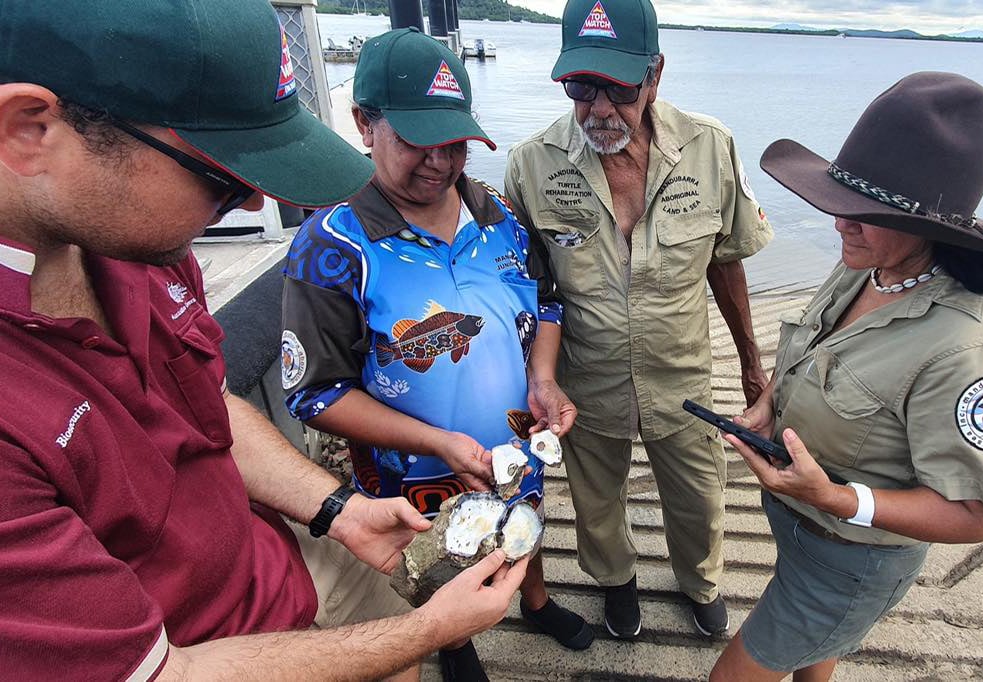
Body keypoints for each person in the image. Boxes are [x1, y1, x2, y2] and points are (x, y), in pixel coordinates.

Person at [0, 3, 528, 680]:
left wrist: (337, 510)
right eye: (221, 178)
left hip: (283, 566)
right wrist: (428, 628)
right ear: (29, 130)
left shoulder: (133, 240)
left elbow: (210, 404)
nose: (254, 204)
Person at [281, 28, 593, 679]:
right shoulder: (333, 247)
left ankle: (533, 599)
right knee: (438, 556)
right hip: (409, 477)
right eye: (417, 144)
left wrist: (543, 379)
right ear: (365, 124)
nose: (439, 163)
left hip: (513, 448)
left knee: (523, 521)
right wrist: (437, 442)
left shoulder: (501, 216)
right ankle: (453, 641)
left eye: (454, 144)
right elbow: (315, 394)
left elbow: (548, 303)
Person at [709, 72, 983, 682]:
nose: (841, 224)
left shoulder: (971, 350)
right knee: (814, 653)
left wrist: (833, 498)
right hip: (803, 527)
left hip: (852, 558)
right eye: (840, 203)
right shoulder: (869, 264)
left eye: (867, 213)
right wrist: (772, 400)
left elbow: (974, 515)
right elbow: (818, 341)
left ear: (931, 228)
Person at [504, 0, 773, 639]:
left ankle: (701, 581)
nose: (598, 107)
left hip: (680, 374)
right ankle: (616, 582)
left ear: (655, 75)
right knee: (596, 502)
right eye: (580, 86)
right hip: (583, 378)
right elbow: (526, 283)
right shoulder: (531, 163)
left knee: (701, 496)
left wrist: (752, 363)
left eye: (617, 87)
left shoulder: (712, 147)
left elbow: (727, 262)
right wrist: (533, 379)